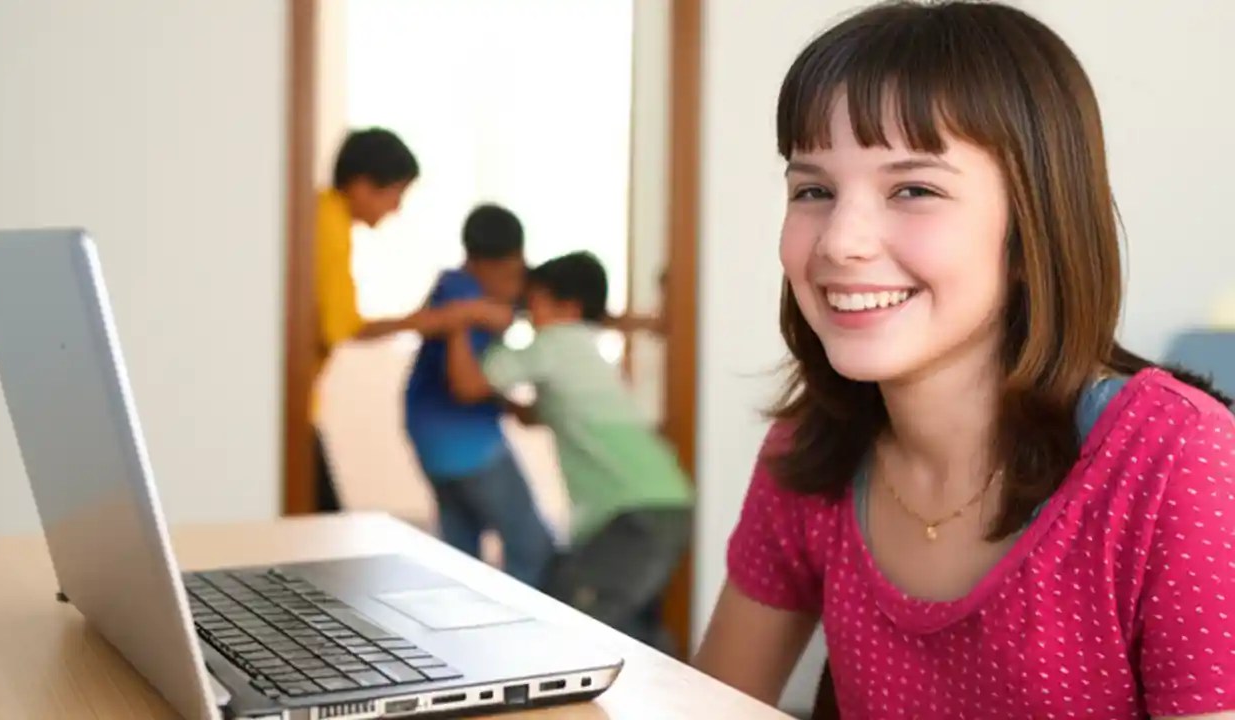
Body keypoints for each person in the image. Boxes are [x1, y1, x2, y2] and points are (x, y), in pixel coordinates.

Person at [692, 3, 1235, 719]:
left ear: (1031, 227)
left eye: (913, 189)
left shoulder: (1178, 460)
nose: (840, 243)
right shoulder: (808, 451)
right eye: (814, 190)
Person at [443, 251, 694, 652]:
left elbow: (468, 386)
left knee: (571, 615)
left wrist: (457, 324)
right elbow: (530, 415)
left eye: (534, 301)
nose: (526, 312)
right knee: (627, 626)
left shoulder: (554, 343)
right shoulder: (584, 346)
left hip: (634, 515)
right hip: (661, 504)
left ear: (569, 307)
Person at [404, 204, 554, 588]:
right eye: (510, 275)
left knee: (459, 555)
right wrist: (467, 319)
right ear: (481, 266)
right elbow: (466, 386)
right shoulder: (465, 300)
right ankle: (524, 633)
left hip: (429, 441)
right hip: (468, 445)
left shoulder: (449, 283)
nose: (515, 286)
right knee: (531, 545)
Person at [312, 128, 458, 512]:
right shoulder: (328, 225)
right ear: (362, 185)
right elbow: (340, 326)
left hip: (303, 401)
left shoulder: (328, 217)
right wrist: (423, 321)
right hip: (296, 405)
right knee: (324, 522)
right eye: (395, 193)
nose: (396, 208)